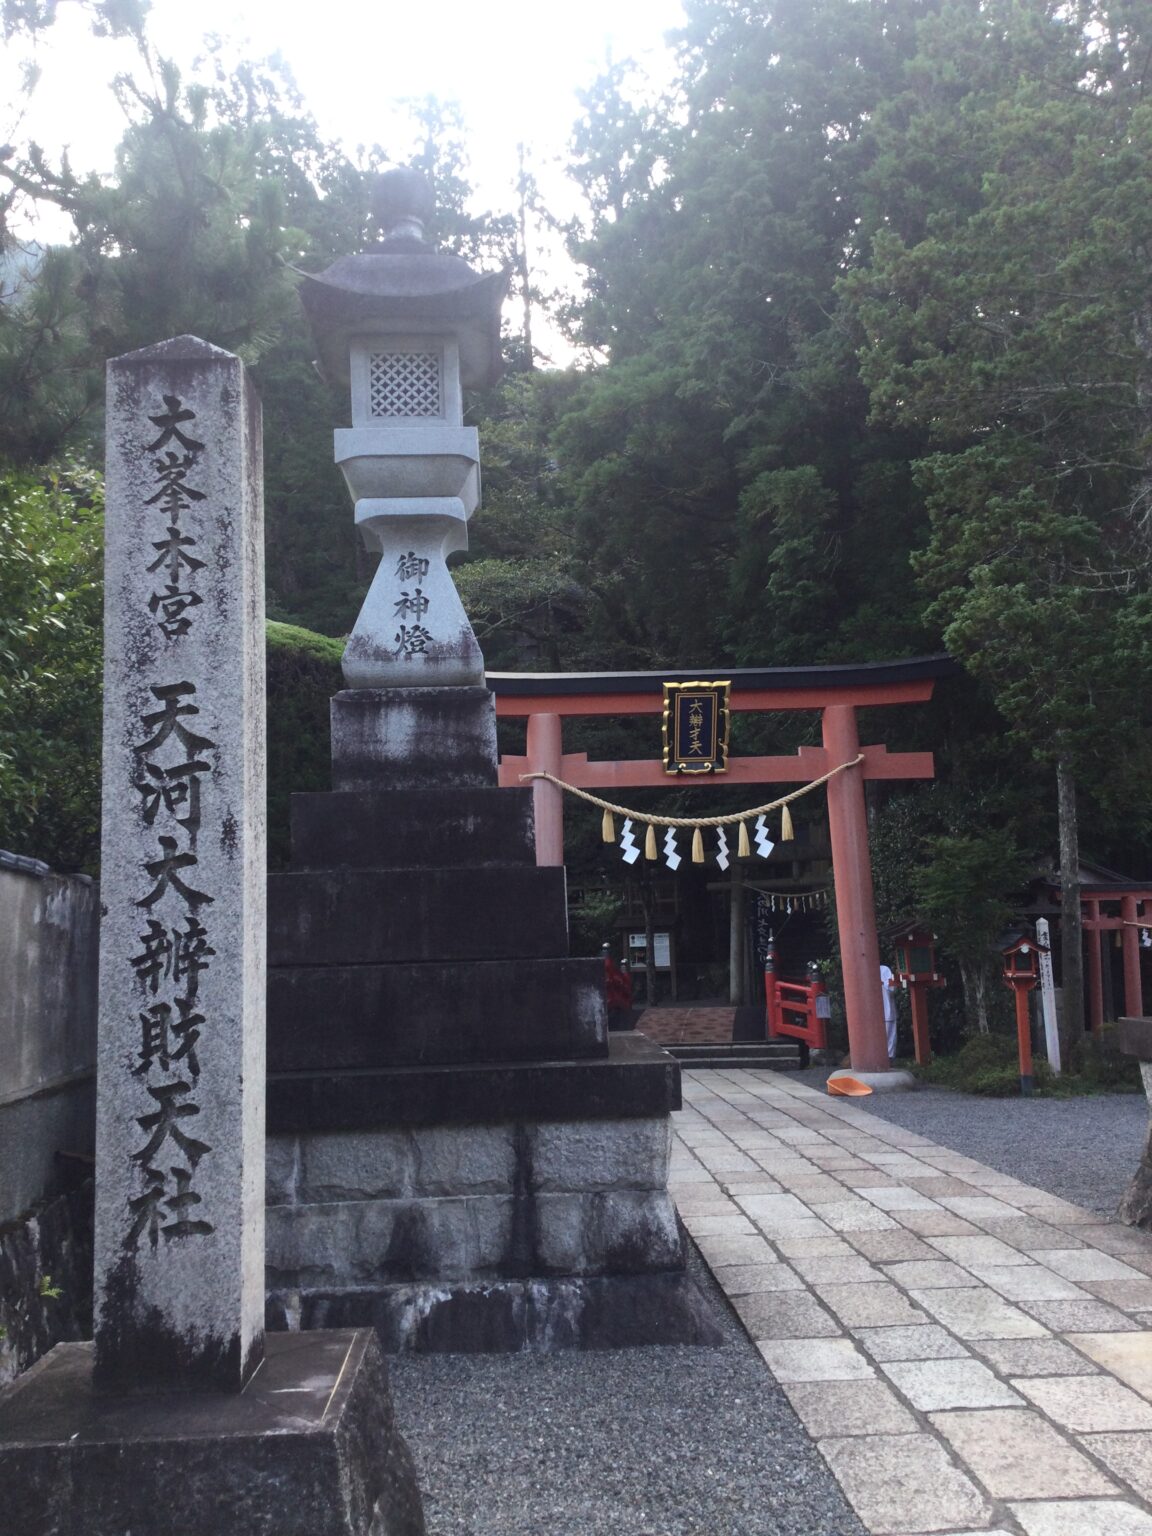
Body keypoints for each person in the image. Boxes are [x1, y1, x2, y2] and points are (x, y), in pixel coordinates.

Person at [879, 962, 898, 1059]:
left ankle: (889, 1059)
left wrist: (882, 984)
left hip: (887, 1009)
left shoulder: (884, 970)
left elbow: (892, 988)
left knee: (889, 1037)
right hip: (872, 1014)